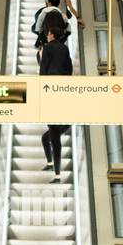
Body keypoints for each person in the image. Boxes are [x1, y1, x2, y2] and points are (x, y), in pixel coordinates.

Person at [39, 29, 73, 183]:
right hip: (64, 90)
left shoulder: (47, 48)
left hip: (51, 90)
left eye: (48, 34)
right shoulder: (65, 48)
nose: (47, 36)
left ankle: (58, 175)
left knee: (53, 135)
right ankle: (50, 163)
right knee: (46, 137)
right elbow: (69, 68)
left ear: (51, 35)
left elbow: (43, 70)